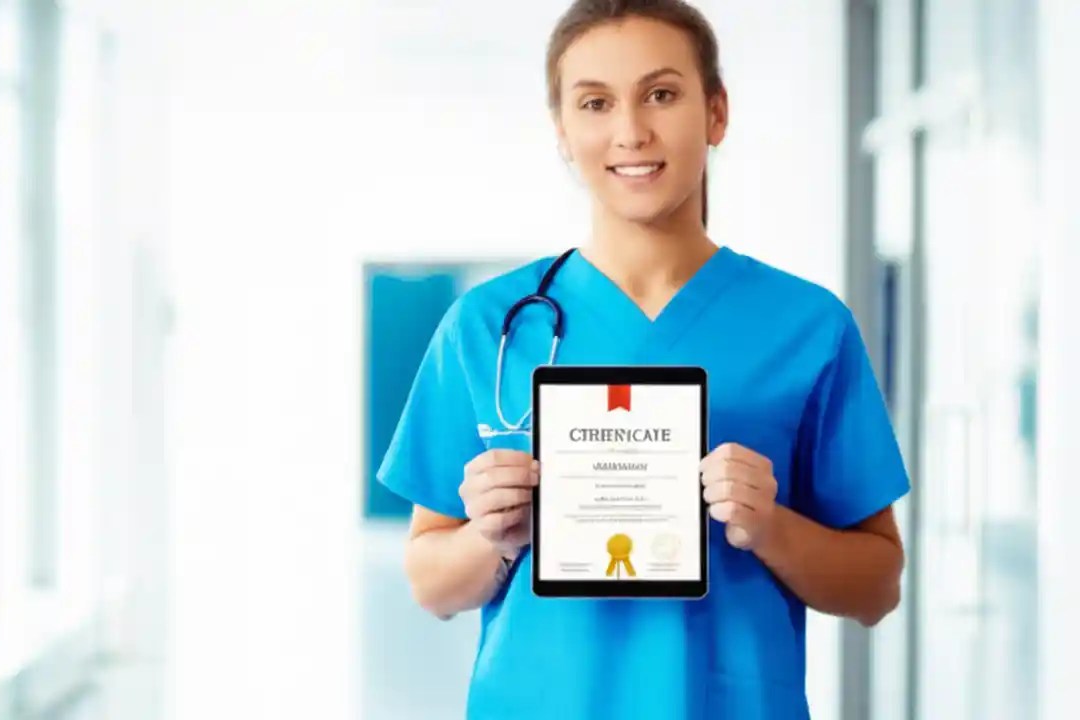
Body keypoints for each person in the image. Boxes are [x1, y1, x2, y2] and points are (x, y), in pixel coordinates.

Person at [375, 1, 910, 718]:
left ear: (716, 113)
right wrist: (493, 537)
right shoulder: (487, 324)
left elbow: (877, 585)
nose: (630, 131)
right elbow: (430, 583)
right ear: (563, 131)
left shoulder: (808, 326)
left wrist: (772, 527)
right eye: (595, 102)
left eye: (661, 94)